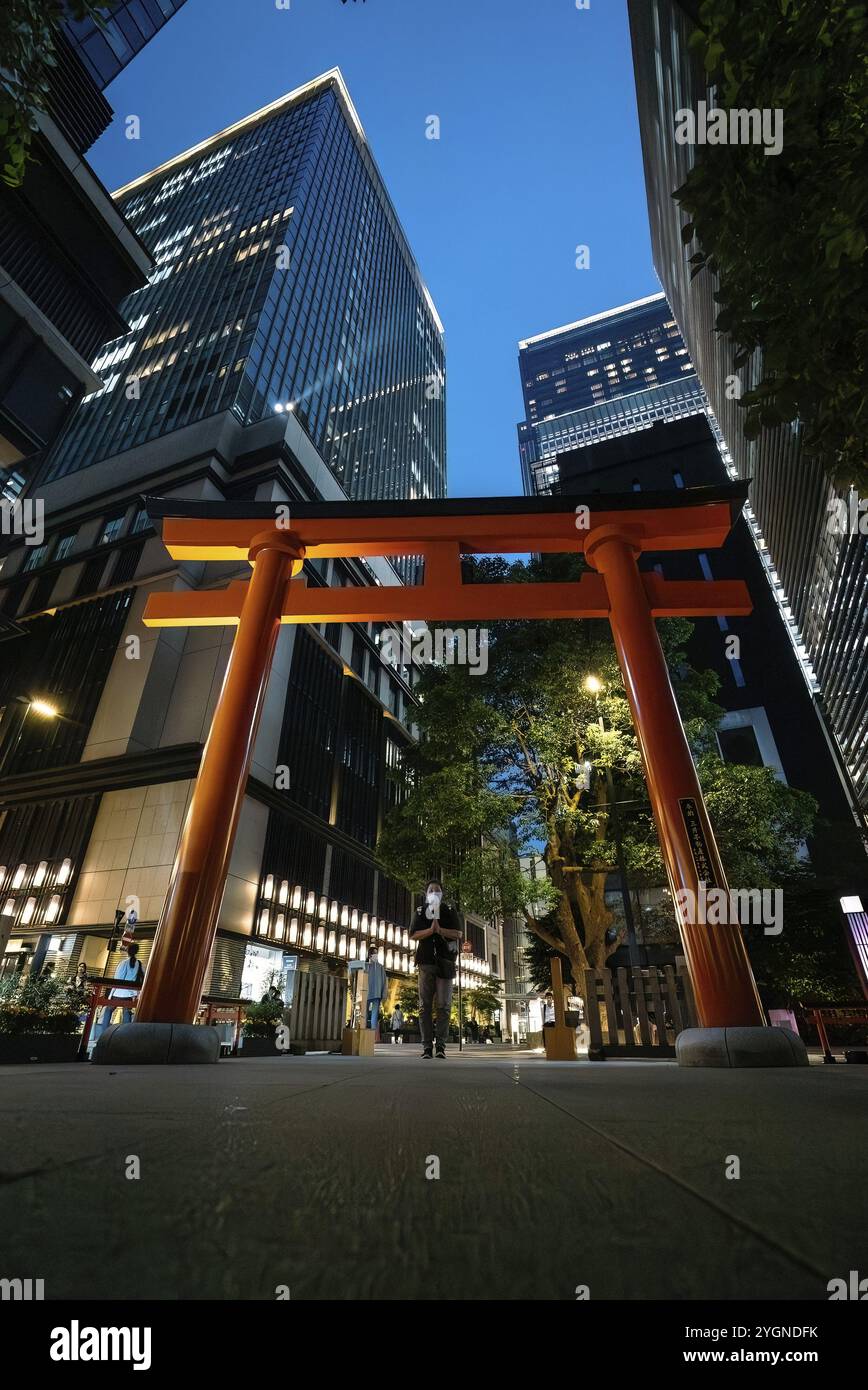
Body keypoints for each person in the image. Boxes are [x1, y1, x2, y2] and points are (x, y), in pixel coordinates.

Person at [409, 880, 463, 1059]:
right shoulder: (419, 911)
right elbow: (413, 934)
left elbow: (458, 933)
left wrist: (440, 930)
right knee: (424, 1005)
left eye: (437, 890)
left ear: (442, 894)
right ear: (426, 894)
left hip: (445, 962)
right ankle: (426, 1047)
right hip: (425, 961)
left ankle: (440, 1046)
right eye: (431, 890)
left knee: (444, 1006)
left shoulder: (449, 910)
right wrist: (431, 931)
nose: (434, 892)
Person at [95, 942, 144, 1038]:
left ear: (128, 951)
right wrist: (135, 994)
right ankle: (126, 1037)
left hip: (119, 993)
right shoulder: (139, 963)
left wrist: (111, 993)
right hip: (130, 994)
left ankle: (103, 1035)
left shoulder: (123, 963)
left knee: (108, 1011)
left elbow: (118, 979)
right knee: (127, 1013)